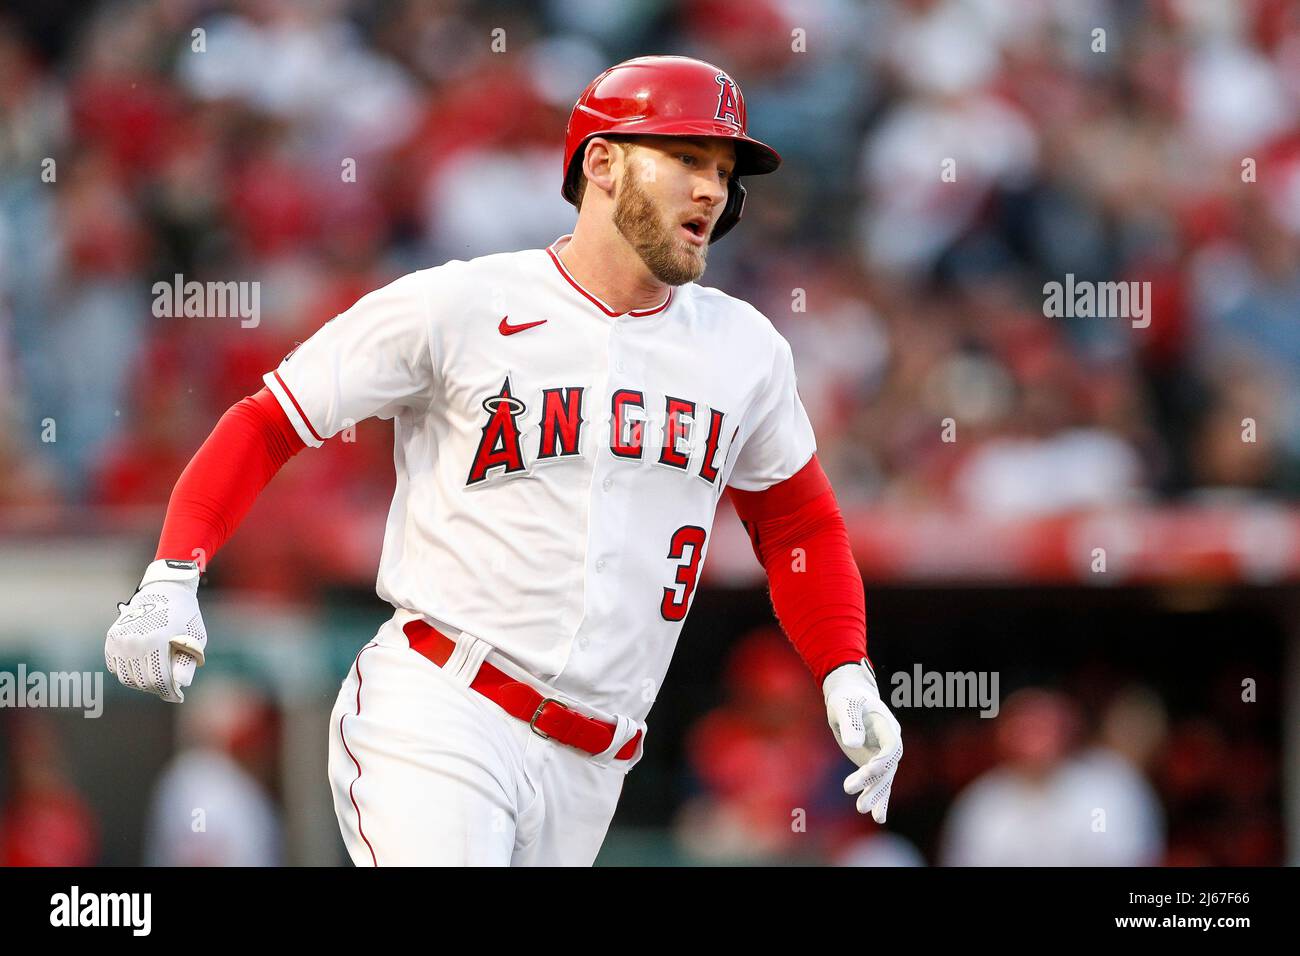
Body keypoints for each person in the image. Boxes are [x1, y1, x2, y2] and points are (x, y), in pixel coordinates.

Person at [104, 55, 902, 866]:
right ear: (602, 160)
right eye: (687, 158)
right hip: (443, 707)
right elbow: (271, 419)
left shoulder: (745, 349)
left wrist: (845, 669)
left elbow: (798, 519)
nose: (713, 190)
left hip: (595, 762)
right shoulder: (463, 303)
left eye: (726, 171)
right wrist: (174, 569)